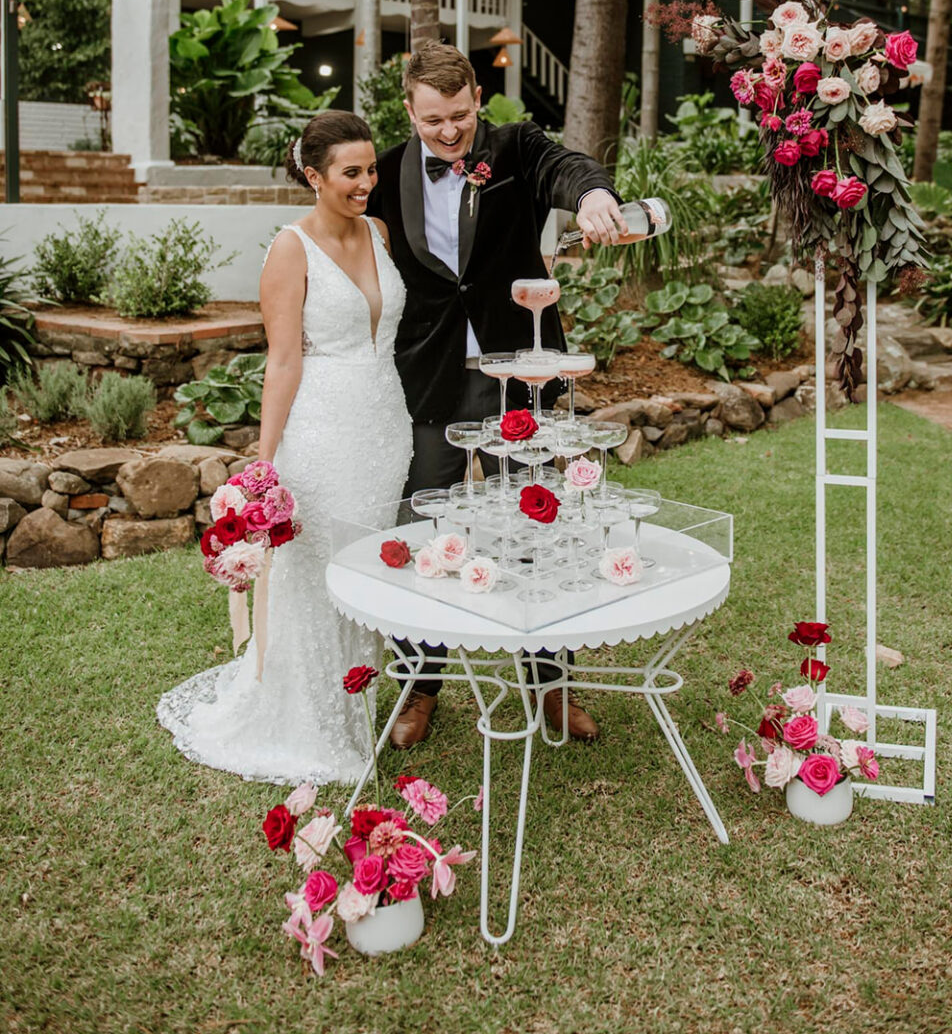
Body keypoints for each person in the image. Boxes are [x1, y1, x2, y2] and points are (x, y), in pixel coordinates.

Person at [368, 42, 625, 749]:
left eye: (458, 116)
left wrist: (596, 196)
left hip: (523, 374)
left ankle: (550, 682)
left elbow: (566, 169)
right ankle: (419, 687)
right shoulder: (389, 170)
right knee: (423, 529)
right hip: (431, 376)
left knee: (537, 526)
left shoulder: (514, 148)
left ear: (478, 97)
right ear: (409, 111)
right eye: (431, 122)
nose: (448, 133)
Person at [157, 111, 412, 784]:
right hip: (323, 432)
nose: (366, 184)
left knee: (363, 569)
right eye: (350, 173)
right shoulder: (290, 249)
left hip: (386, 426)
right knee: (315, 574)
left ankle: (356, 703)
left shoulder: (380, 232)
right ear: (313, 176)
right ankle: (306, 720)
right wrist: (264, 466)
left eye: (371, 170)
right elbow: (282, 360)